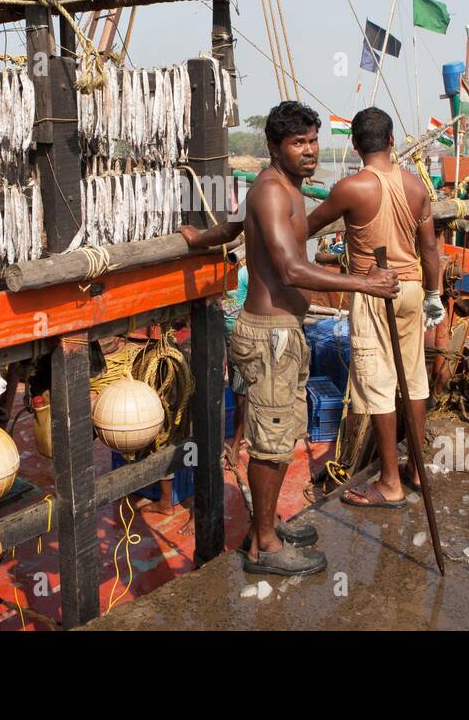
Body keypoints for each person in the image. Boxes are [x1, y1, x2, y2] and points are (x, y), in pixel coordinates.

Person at [179, 101, 399, 577]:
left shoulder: (287, 188)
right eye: (298, 143)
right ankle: (263, 544)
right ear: (275, 148)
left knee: (280, 436)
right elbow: (290, 268)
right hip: (270, 335)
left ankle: (267, 521)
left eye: (313, 141)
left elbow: (234, 228)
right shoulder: (273, 192)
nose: (310, 152)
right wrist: (365, 282)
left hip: (287, 332)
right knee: (270, 443)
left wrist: (200, 239)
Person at [303, 107, 444, 508]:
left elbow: (306, 229)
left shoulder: (350, 188)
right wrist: (434, 296)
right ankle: (416, 468)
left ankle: (391, 482)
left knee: (378, 384)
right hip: (413, 287)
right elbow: (430, 250)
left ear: (354, 144)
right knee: (414, 381)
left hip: (373, 289)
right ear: (392, 141)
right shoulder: (417, 186)